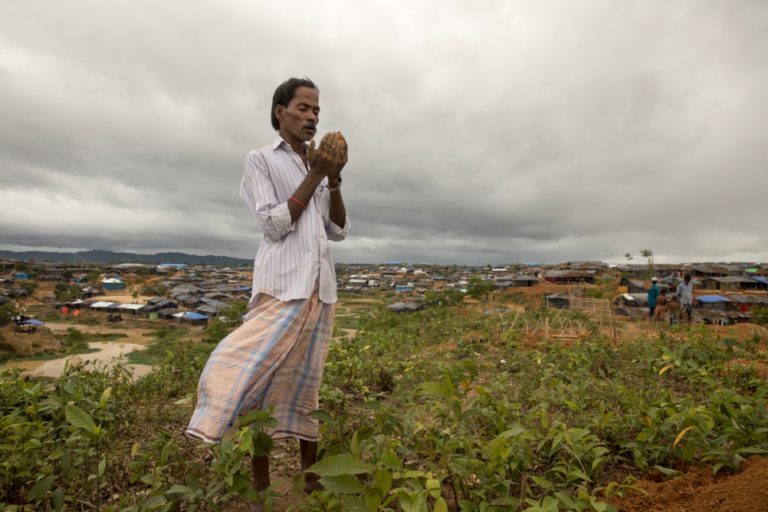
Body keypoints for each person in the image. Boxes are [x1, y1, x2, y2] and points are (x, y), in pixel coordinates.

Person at [185, 77, 350, 510]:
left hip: (318, 291)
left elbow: (338, 231)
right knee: (257, 384)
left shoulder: (318, 164)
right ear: (280, 111)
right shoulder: (260, 160)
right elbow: (274, 224)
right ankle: (259, 486)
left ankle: (310, 481)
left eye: (317, 110)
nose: (313, 116)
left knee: (305, 386)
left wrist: (333, 180)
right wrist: (314, 175)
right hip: (281, 288)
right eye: (303, 108)